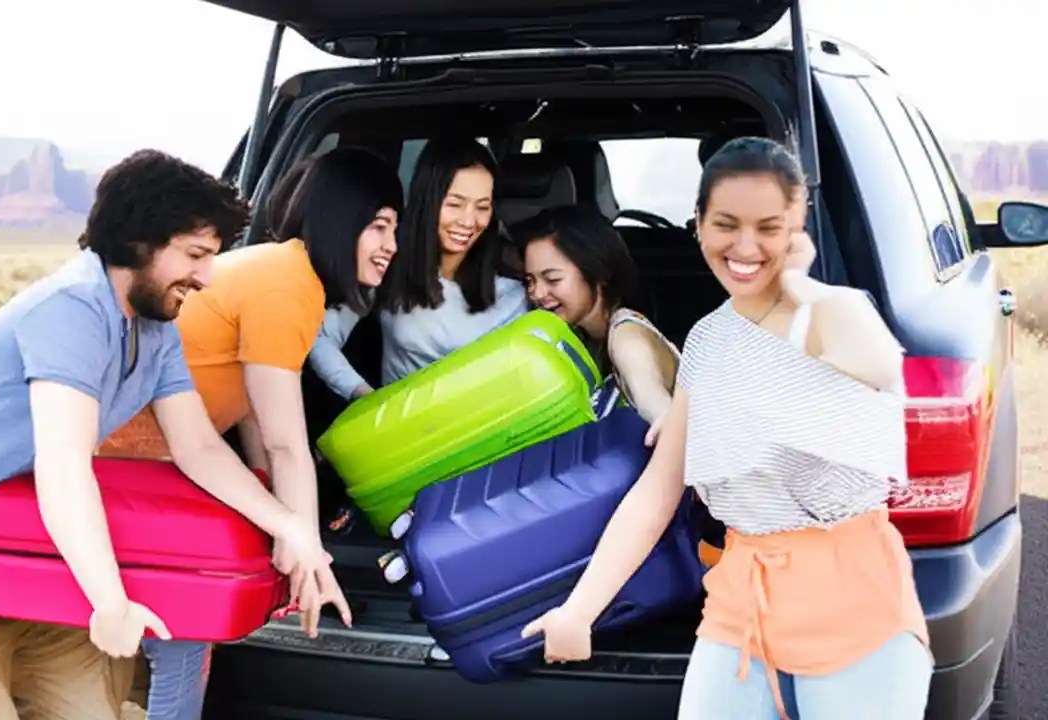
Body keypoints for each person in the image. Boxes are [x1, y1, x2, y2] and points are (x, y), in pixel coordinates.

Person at [0, 149, 349, 720]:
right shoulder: (72, 310)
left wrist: (292, 528)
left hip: (10, 554)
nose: (207, 278)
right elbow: (64, 467)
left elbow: (200, 448)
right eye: (195, 255)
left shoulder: (155, 331)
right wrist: (110, 603)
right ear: (140, 242)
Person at [519, 137, 932, 720]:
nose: (744, 246)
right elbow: (659, 490)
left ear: (797, 228)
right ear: (699, 227)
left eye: (769, 226)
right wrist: (580, 609)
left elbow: (880, 364)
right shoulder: (709, 341)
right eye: (725, 224)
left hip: (853, 603)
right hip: (739, 601)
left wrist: (792, 294)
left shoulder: (838, 313)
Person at [95, 145, 403, 719]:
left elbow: (255, 418)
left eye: (395, 229)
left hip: (147, 465)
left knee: (162, 650)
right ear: (340, 217)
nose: (391, 245)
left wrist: (289, 536)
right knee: (182, 648)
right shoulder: (287, 283)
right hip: (131, 468)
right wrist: (310, 556)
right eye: (379, 225)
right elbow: (287, 443)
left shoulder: (281, 271)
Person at [307, 137, 527, 400]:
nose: (469, 221)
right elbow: (321, 338)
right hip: (405, 432)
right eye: (455, 204)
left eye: (482, 207)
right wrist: (364, 397)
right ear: (428, 201)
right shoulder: (393, 264)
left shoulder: (515, 281)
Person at [513, 203, 677, 446]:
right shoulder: (580, 341)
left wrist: (664, 419)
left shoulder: (626, 336)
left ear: (598, 272)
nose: (536, 292)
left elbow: (652, 400)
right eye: (530, 281)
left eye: (552, 279)